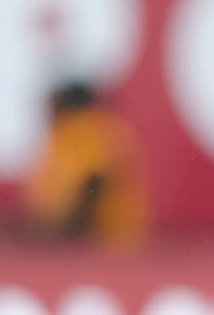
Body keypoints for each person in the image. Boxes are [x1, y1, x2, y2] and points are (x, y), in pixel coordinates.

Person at [20, 80, 151, 253]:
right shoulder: (89, 128)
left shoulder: (84, 128)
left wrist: (66, 229)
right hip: (107, 240)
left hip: (103, 242)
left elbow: (95, 182)